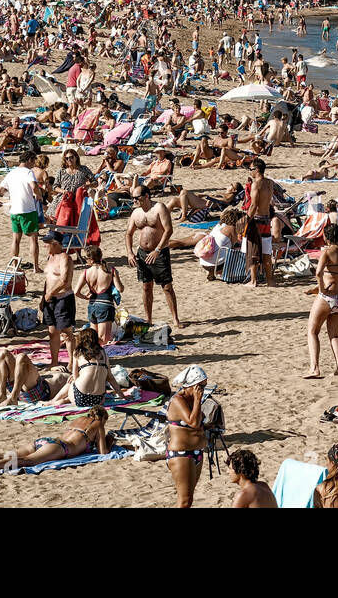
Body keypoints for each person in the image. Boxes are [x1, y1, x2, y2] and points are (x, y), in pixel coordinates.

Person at [0, 407, 108, 478]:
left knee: (7, 453)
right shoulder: (98, 424)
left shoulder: (79, 419)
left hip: (47, 440)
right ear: (102, 419)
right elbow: (103, 452)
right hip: (60, 448)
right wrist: (109, 440)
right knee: (27, 461)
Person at [125, 184, 182, 329]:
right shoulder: (136, 213)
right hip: (143, 253)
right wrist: (130, 253)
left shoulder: (159, 208)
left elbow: (168, 230)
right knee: (146, 286)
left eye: (136, 198)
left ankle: (175, 319)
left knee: (167, 286)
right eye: (133, 198)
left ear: (146, 196)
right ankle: (148, 319)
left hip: (159, 252)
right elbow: (128, 234)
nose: (134, 200)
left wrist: (157, 249)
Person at [305, 223, 338, 378]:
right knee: (335, 335)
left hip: (329, 296)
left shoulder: (326, 251)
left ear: (326, 237)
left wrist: (320, 288)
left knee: (312, 331)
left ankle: (315, 368)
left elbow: (318, 272)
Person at [167, 365, 210, 508]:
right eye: (200, 386)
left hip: (197, 453)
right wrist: (198, 400)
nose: (202, 390)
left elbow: (199, 424)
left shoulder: (192, 399)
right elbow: (193, 423)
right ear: (191, 385)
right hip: (181, 454)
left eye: (204, 386)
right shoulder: (178, 400)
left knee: (188, 499)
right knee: (184, 500)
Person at [0, 150, 42, 270]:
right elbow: (34, 186)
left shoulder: (11, 173)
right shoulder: (28, 172)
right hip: (27, 209)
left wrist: (11, 195)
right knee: (33, 238)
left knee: (16, 239)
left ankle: (15, 266)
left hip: (14, 210)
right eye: (33, 161)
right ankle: (36, 267)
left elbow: (0, 190)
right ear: (29, 160)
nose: (34, 164)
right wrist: (38, 195)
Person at [38, 231, 76, 367]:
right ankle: (54, 362)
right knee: (52, 332)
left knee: (67, 332)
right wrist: (44, 298)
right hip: (50, 300)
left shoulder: (65, 257)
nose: (45, 247)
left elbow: (64, 280)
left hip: (63, 299)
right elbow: (48, 281)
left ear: (55, 244)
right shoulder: (50, 258)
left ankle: (71, 363)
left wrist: (51, 293)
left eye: (47, 244)